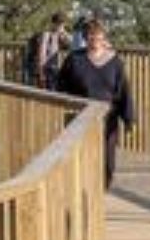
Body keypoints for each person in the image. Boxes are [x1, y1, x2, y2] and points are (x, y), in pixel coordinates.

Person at [54, 18, 137, 188]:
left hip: (108, 118)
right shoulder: (75, 59)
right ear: (85, 38)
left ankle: (102, 187)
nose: (95, 41)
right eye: (91, 37)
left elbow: (123, 91)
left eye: (98, 37)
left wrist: (129, 119)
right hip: (80, 117)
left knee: (107, 162)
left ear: (104, 37)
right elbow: (60, 86)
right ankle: (86, 190)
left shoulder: (115, 62)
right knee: (82, 157)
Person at [25, 12, 69, 90]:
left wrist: (64, 36)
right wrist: (41, 73)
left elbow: (67, 50)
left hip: (56, 71)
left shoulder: (62, 37)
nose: (61, 27)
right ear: (53, 24)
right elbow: (41, 55)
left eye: (62, 25)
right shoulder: (46, 35)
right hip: (46, 71)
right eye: (59, 24)